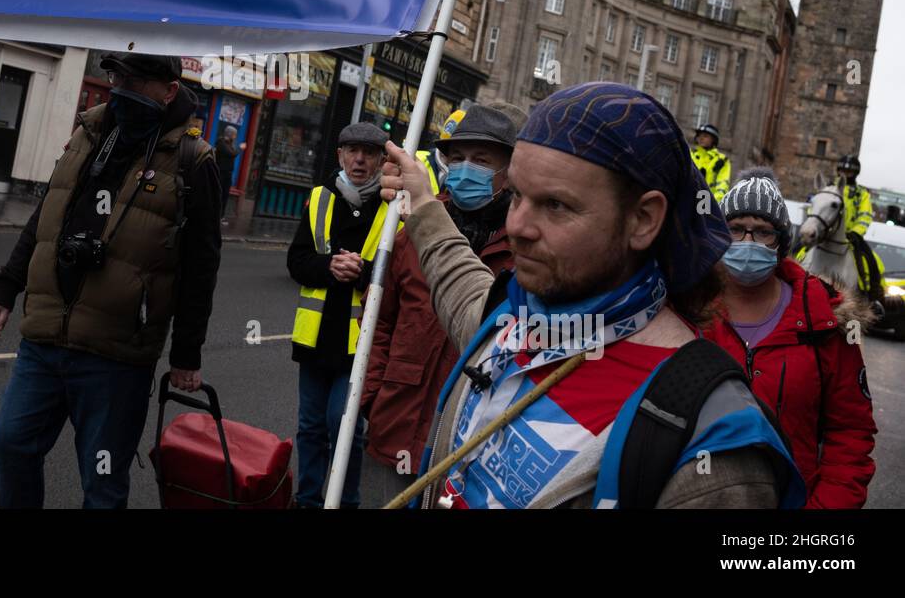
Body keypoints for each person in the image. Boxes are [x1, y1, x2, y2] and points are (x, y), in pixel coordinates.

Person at [382, 82, 803, 509]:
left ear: (643, 219)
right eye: (518, 196)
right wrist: (420, 200)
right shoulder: (512, 316)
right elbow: (458, 278)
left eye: (556, 206)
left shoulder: (708, 436)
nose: (518, 228)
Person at [0, 53, 223, 508]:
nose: (121, 88)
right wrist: (6, 287)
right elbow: (46, 218)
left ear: (168, 90)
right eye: (116, 77)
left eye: (134, 80)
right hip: (46, 337)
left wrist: (186, 354)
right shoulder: (90, 133)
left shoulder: (193, 161)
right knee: (10, 443)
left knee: (102, 482)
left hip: (116, 354)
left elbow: (200, 266)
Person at [361, 105, 520, 504]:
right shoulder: (410, 232)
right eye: (458, 157)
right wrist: (372, 396)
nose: (466, 169)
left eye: (482, 160)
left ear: (511, 170)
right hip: (400, 423)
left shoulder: (525, 247)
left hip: (478, 447)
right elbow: (377, 322)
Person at [704, 167, 876, 508]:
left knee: (868, 267)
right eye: (736, 229)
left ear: (781, 242)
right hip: (696, 499)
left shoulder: (826, 319)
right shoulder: (683, 306)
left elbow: (850, 434)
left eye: (763, 232)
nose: (747, 242)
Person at [287, 121, 393, 508]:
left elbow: (399, 275)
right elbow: (296, 261)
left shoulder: (393, 207)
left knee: (343, 425)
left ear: (382, 159)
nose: (359, 159)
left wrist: (363, 274)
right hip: (314, 338)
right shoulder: (319, 198)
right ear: (340, 156)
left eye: (368, 152)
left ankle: (344, 502)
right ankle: (308, 500)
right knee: (310, 427)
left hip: (360, 343)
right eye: (352, 151)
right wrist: (329, 266)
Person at [690, 122, 731, 203]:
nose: (701, 138)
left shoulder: (722, 160)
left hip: (706, 201)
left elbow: (723, 185)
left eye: (705, 136)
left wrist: (714, 203)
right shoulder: (690, 155)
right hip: (687, 198)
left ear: (713, 140)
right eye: (699, 136)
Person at [837, 154, 874, 239]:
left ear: (855, 173)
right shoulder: (828, 188)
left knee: (869, 253)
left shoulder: (862, 194)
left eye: (849, 172)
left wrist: (856, 233)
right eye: (842, 171)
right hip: (824, 233)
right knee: (801, 250)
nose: (845, 175)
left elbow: (865, 216)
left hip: (850, 237)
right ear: (838, 171)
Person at [215, 124, 244, 224]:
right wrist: (240, 148)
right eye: (234, 134)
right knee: (218, 194)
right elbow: (232, 154)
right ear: (230, 134)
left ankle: (220, 216)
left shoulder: (230, 143)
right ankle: (215, 216)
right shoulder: (221, 142)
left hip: (227, 174)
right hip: (221, 173)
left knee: (225, 195)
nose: (235, 136)